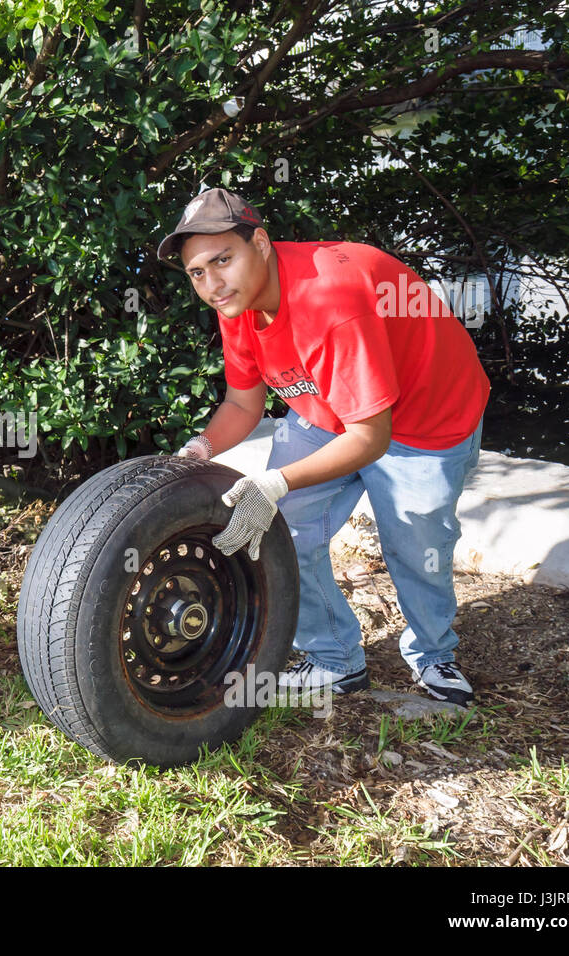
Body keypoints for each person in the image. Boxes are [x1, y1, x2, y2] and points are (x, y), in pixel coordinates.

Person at [160, 187, 489, 706]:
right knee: (280, 526)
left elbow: (370, 438)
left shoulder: (329, 302)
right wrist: (199, 448)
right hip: (330, 407)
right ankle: (335, 661)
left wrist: (277, 481)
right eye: (197, 272)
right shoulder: (236, 303)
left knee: (415, 546)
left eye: (223, 260)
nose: (212, 283)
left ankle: (434, 655)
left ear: (261, 243)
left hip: (426, 419)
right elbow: (244, 406)